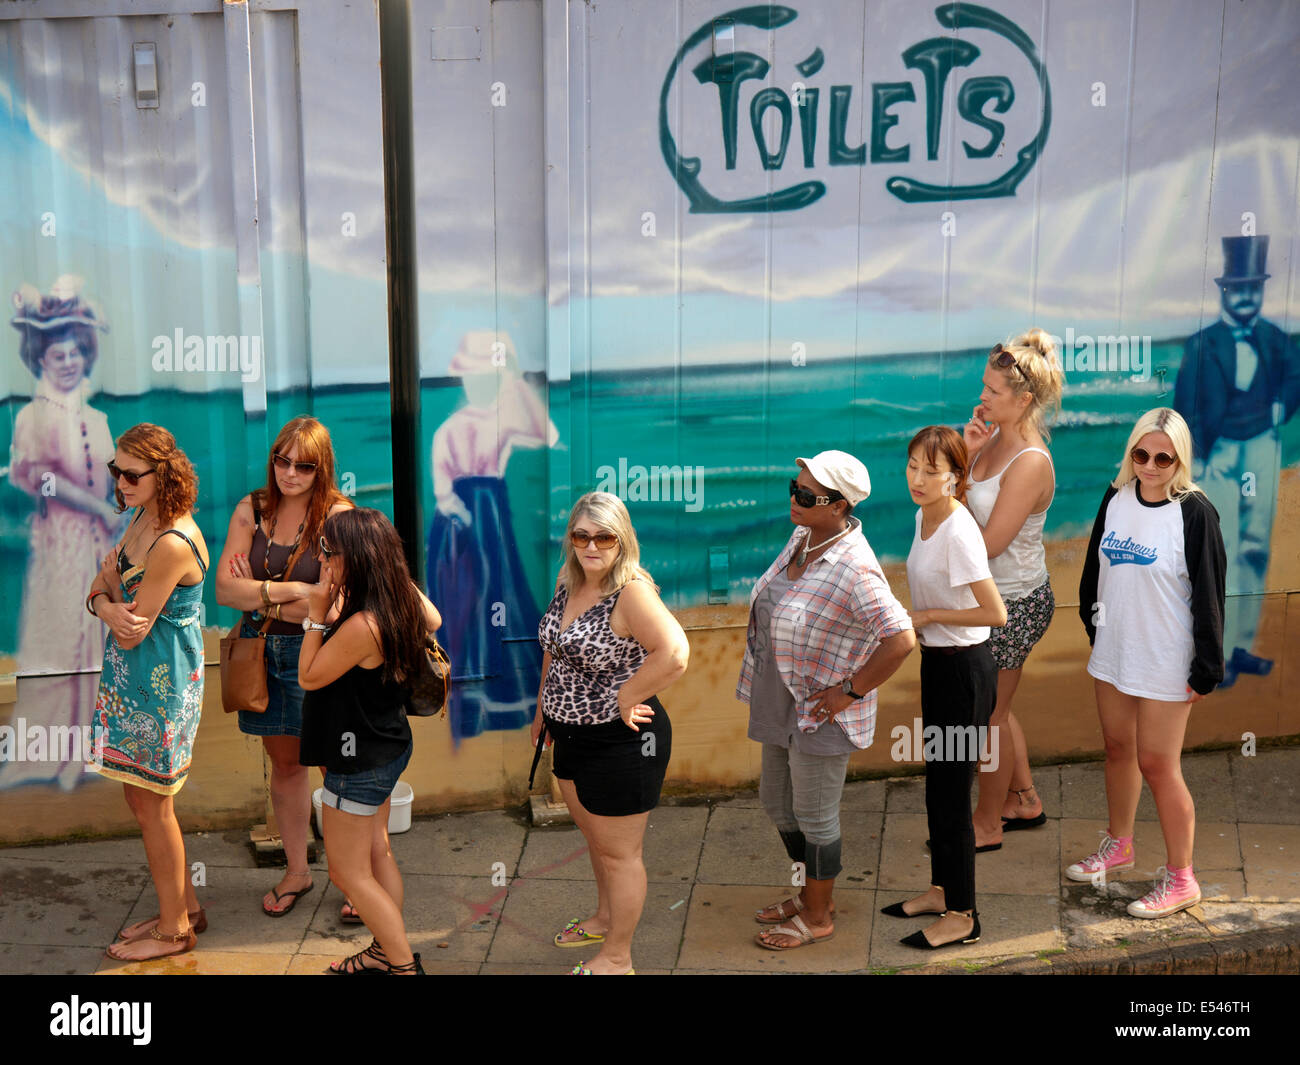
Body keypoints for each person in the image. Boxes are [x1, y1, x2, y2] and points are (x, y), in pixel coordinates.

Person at [737, 452, 915, 952]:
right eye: (793, 488)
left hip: (821, 711)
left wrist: (849, 691)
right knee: (777, 803)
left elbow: (900, 638)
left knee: (816, 817)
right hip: (782, 695)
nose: (794, 500)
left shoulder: (855, 568)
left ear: (839, 506)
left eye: (806, 496)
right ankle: (810, 891)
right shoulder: (803, 537)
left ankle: (818, 916)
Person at [1071, 408, 1226, 917]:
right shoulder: (1116, 498)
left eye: (1164, 457)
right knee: (1118, 749)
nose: (1151, 465)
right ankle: (1120, 845)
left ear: (1180, 458)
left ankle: (1183, 879)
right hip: (1115, 652)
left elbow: (1209, 593)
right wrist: (1097, 629)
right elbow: (1095, 568)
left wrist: (1206, 668)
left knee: (1158, 764)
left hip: (1166, 660)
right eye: (1142, 454)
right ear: (1131, 453)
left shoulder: (1195, 511)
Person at [531, 492, 688, 975]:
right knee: (596, 841)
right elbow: (554, 648)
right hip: (569, 734)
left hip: (622, 741)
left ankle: (618, 959)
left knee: (621, 855)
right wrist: (542, 707)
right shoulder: (570, 579)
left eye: (605, 537)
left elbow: (675, 653)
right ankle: (603, 917)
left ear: (623, 540)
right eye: (582, 536)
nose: (592, 546)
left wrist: (626, 695)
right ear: (571, 539)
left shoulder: (632, 592)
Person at [215, 416, 353, 918]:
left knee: (335, 769)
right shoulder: (252, 509)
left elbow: (334, 609)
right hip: (261, 653)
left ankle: (354, 878)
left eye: (303, 464)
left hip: (315, 653)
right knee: (287, 767)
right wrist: (293, 592)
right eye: (281, 460)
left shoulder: (339, 517)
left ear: (322, 468)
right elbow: (225, 591)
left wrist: (260, 596)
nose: (289, 472)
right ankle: (298, 870)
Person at [298, 508, 441, 974]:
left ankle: (401, 966)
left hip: (358, 760)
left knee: (347, 872)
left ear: (353, 559)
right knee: (377, 851)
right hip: (387, 745)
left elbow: (310, 676)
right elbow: (433, 619)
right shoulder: (396, 601)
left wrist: (317, 616)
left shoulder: (364, 624)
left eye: (328, 552)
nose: (322, 560)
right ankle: (384, 950)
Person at [86, 424, 209, 961]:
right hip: (129, 681)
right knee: (139, 797)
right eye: (116, 471)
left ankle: (175, 931)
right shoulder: (141, 518)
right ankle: (183, 905)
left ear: (164, 476)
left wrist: (108, 599)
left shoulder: (172, 541)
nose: (120, 482)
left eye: (132, 474)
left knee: (153, 803)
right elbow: (100, 594)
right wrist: (105, 601)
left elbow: (132, 622)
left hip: (160, 685)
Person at [884, 427, 1005, 949]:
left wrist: (929, 614)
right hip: (937, 664)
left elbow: (994, 613)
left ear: (955, 477)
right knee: (938, 786)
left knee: (953, 794)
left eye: (931, 472)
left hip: (965, 671)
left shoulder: (958, 530)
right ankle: (942, 889)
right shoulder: (922, 515)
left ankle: (963, 916)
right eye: (913, 467)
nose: (918, 479)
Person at [5, 276, 118, 790]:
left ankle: (91, 752)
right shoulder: (32, 416)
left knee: (97, 640)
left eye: (74, 353)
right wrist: (97, 505)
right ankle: (50, 753)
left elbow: (118, 480)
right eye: (57, 356)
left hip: (99, 546)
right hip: (60, 545)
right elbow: (38, 479)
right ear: (42, 361)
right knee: (58, 639)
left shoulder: (96, 418)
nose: (68, 362)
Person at [1174, 236, 1300, 686]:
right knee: (1221, 552)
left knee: (1255, 547)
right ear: (1224, 291)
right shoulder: (1202, 344)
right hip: (1219, 452)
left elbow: (1294, 378)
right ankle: (1218, 653)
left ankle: (1241, 645)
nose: (1247, 296)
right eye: (1238, 288)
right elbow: (1184, 403)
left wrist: (1284, 404)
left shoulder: (1276, 339)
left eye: (1254, 287)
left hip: (1264, 447)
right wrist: (1194, 461)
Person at [961, 330, 1064, 848]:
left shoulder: (1028, 462)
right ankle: (1023, 799)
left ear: (1024, 399)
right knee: (997, 707)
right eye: (983, 386)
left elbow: (988, 544)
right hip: (989, 598)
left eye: (993, 391)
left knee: (988, 717)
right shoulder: (993, 438)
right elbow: (962, 511)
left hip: (1013, 604)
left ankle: (986, 824)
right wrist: (966, 457)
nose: (982, 397)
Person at [427, 331, 556, 739]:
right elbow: (443, 493)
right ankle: (468, 704)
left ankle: (492, 704)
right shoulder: (450, 429)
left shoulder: (502, 419)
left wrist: (517, 380)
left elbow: (547, 435)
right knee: (465, 611)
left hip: (489, 524)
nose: (479, 384)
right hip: (467, 528)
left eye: (488, 376)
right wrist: (467, 523)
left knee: (503, 605)